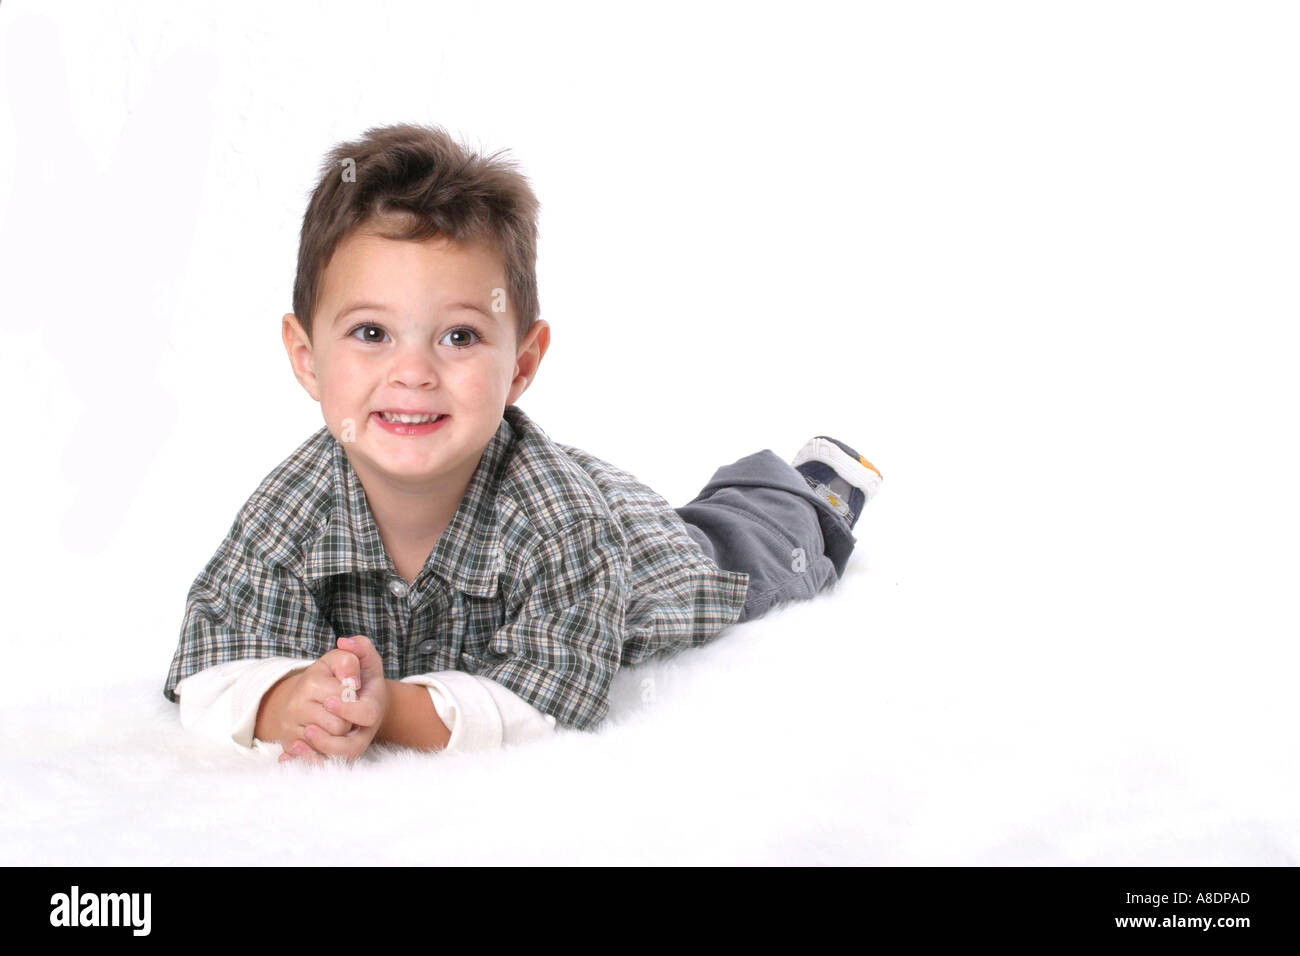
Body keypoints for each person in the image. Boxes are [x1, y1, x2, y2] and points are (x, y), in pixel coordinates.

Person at [163, 123, 883, 763]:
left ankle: (804, 494)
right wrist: (288, 699)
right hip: (573, 532)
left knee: (744, 558)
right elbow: (212, 656)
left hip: (638, 555)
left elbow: (557, 698)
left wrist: (389, 713)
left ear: (523, 363)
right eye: (372, 333)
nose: (412, 373)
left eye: (460, 336)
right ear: (306, 356)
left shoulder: (560, 526)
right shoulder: (292, 508)